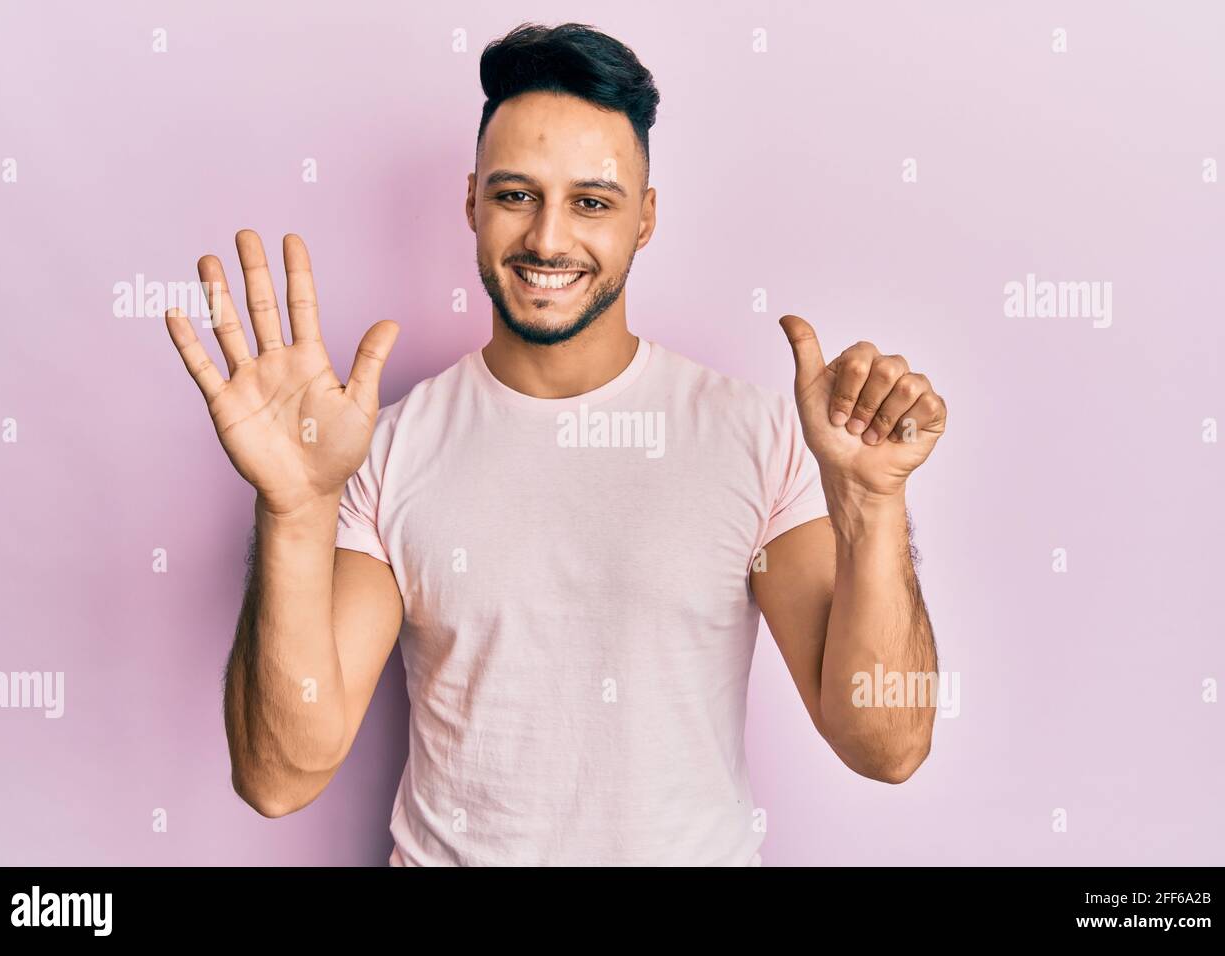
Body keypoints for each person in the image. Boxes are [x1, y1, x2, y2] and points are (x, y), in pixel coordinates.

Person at [162, 22, 946, 866]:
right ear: (471, 204)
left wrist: (871, 508)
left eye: (592, 202)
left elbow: (887, 747)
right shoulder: (382, 452)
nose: (546, 239)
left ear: (644, 218)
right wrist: (292, 509)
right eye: (515, 195)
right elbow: (279, 778)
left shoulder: (754, 437)